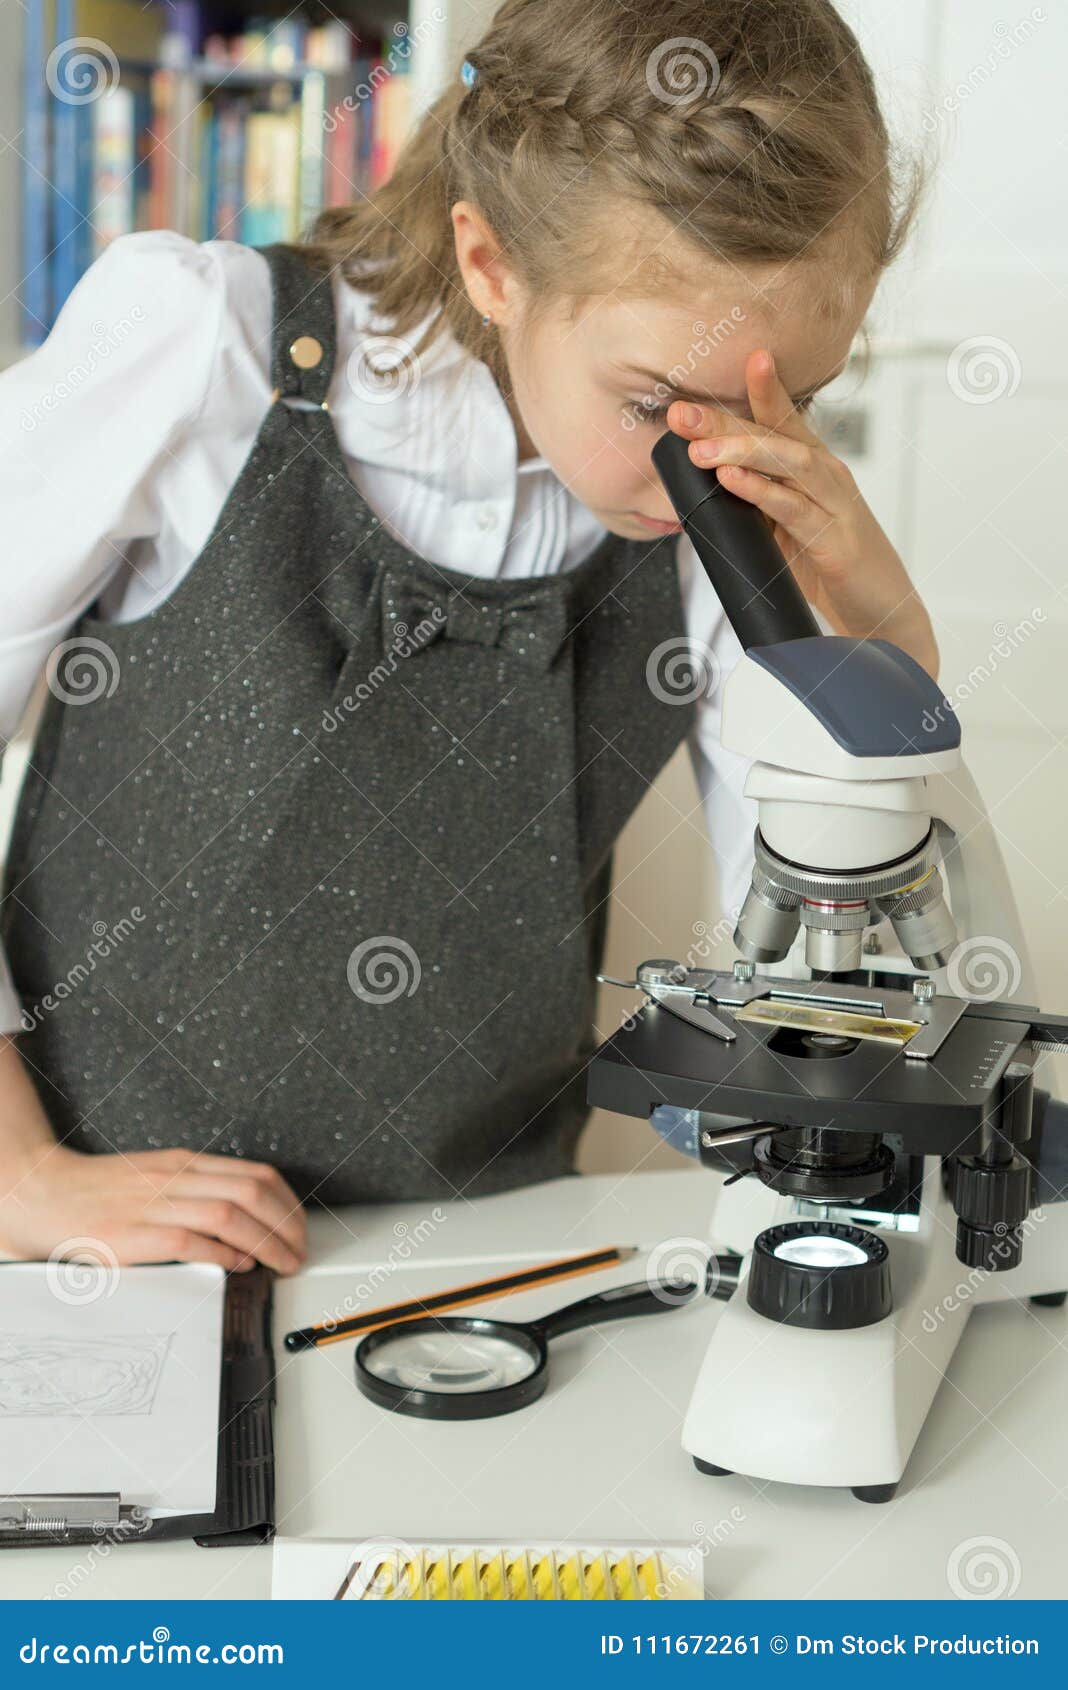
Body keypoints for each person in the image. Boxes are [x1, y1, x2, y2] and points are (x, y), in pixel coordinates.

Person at [0, 0, 937, 1274]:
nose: (711, 474)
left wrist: (881, 643)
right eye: (659, 401)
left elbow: (833, 916)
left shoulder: (705, 496)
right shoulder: (202, 351)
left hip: (477, 1248)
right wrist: (24, 1176)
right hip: (109, 1236)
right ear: (492, 264)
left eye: (796, 400)